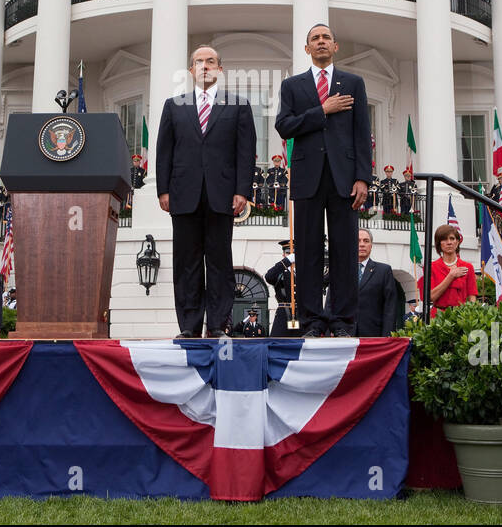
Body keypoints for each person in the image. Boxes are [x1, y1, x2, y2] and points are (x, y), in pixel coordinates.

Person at [275, 23, 372, 337]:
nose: (320, 42)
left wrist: (363, 178)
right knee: (308, 252)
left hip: (345, 180)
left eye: (325, 37)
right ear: (307, 49)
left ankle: (343, 321)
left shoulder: (353, 83)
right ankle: (313, 321)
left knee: (345, 250)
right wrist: (322, 110)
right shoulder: (292, 86)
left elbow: (361, 135)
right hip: (307, 179)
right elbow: (284, 126)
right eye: (314, 38)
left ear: (335, 46)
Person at [156, 44, 255, 339]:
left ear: (220, 69)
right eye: (199, 61)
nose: (205, 66)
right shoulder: (174, 106)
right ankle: (188, 326)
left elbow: (245, 152)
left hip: (222, 195)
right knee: (186, 262)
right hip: (183, 194)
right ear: (190, 70)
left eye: (210, 61)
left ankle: (217, 325)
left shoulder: (238, 105)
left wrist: (242, 190)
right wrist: (163, 190)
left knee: (219, 261)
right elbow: (164, 152)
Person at [418, 224, 477, 318]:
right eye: (444, 239)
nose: (449, 242)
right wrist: (451, 276)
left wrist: (471, 315)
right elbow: (430, 297)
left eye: (452, 238)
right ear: (439, 243)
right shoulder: (431, 267)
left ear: (457, 242)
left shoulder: (468, 267)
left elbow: (472, 296)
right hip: (438, 316)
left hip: (461, 316)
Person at [354, 228, 403, 337]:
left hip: (373, 336)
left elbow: (390, 307)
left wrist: (386, 336)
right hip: (344, 335)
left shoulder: (384, 271)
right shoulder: (342, 270)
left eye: (366, 241)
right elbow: (331, 302)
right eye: (358, 241)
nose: (362, 244)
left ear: (371, 246)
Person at [265, 241, 301, 336]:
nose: (291, 256)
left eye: (293, 254)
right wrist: (287, 261)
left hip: (300, 314)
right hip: (284, 313)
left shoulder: (302, 271)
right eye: (288, 253)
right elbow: (269, 276)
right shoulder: (280, 272)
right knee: (277, 343)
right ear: (284, 255)